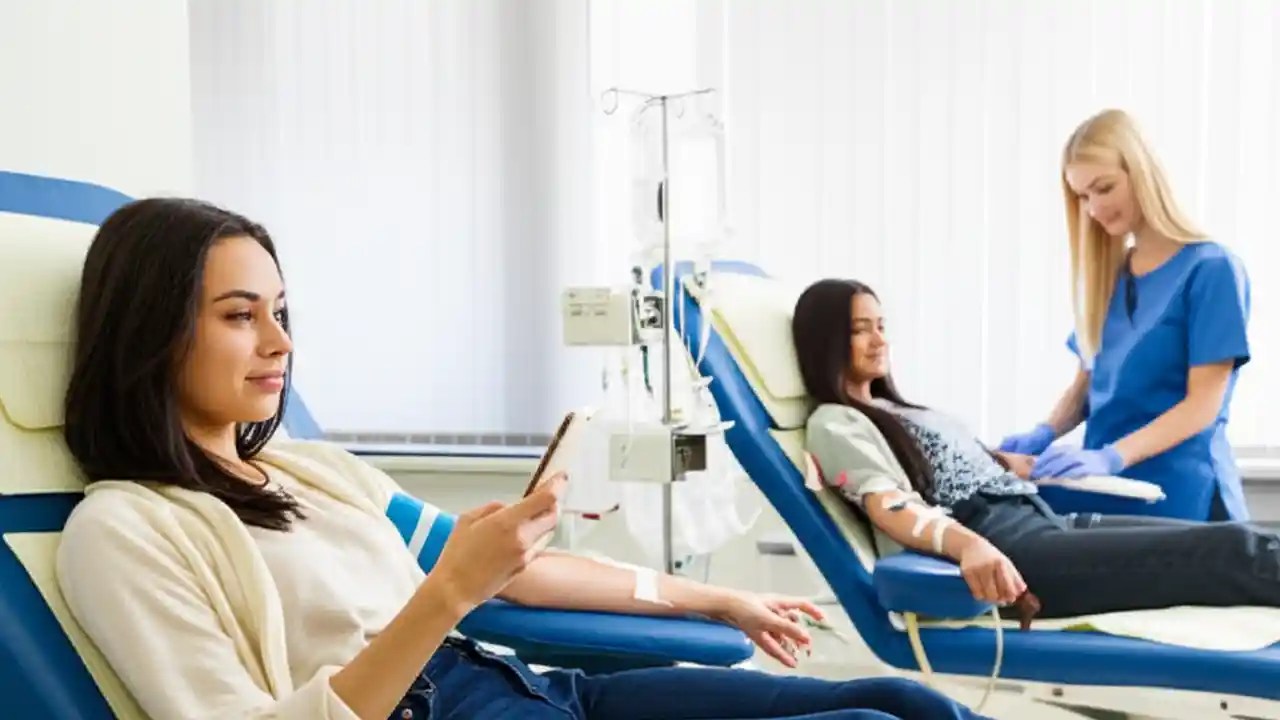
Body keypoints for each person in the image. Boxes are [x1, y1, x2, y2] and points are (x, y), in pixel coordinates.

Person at [54, 198, 988, 720]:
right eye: (238, 315)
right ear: (150, 332)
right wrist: (448, 595)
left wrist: (717, 596)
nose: (280, 343)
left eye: (282, 312)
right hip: (437, 712)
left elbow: (521, 574)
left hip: (525, 686)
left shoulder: (312, 471)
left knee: (905, 703)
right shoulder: (123, 529)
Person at [793, 278, 1280, 620]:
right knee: (1231, 551)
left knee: (1244, 537)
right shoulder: (835, 423)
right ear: (827, 341)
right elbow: (890, 505)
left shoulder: (894, 411)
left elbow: (943, 467)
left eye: (881, 325)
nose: (880, 339)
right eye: (861, 329)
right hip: (1010, 548)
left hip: (1038, 519)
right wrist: (971, 546)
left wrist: (1015, 462)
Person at [998, 109, 1252, 522]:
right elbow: (1087, 386)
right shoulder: (1107, 281)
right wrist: (1045, 433)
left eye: (1104, 188)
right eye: (1082, 196)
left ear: (1141, 173)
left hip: (1180, 495)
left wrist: (1113, 456)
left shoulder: (1211, 270)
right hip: (1109, 490)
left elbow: (1202, 404)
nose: (1093, 208)